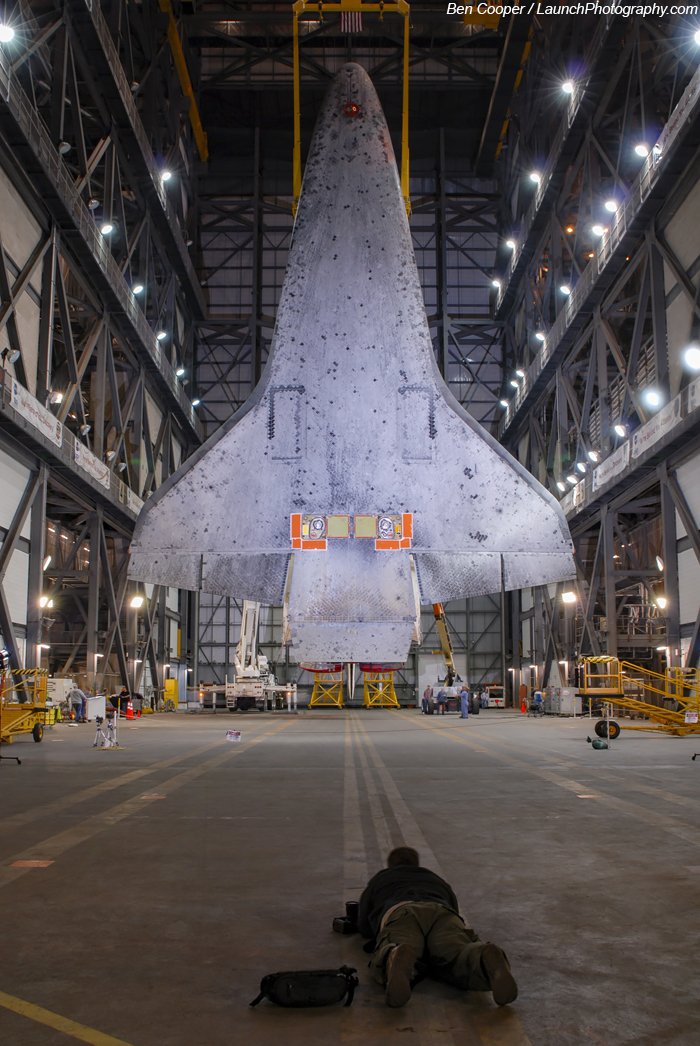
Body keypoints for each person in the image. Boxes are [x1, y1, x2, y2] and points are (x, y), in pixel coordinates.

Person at [357, 846, 517, 1009]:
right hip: (442, 911)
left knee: (400, 941)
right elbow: (454, 908)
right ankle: (482, 958)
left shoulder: (381, 878)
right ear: (417, 864)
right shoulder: (435, 879)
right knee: (457, 951)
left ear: (390, 865)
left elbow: (363, 923)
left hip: (403, 911)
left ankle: (394, 956)